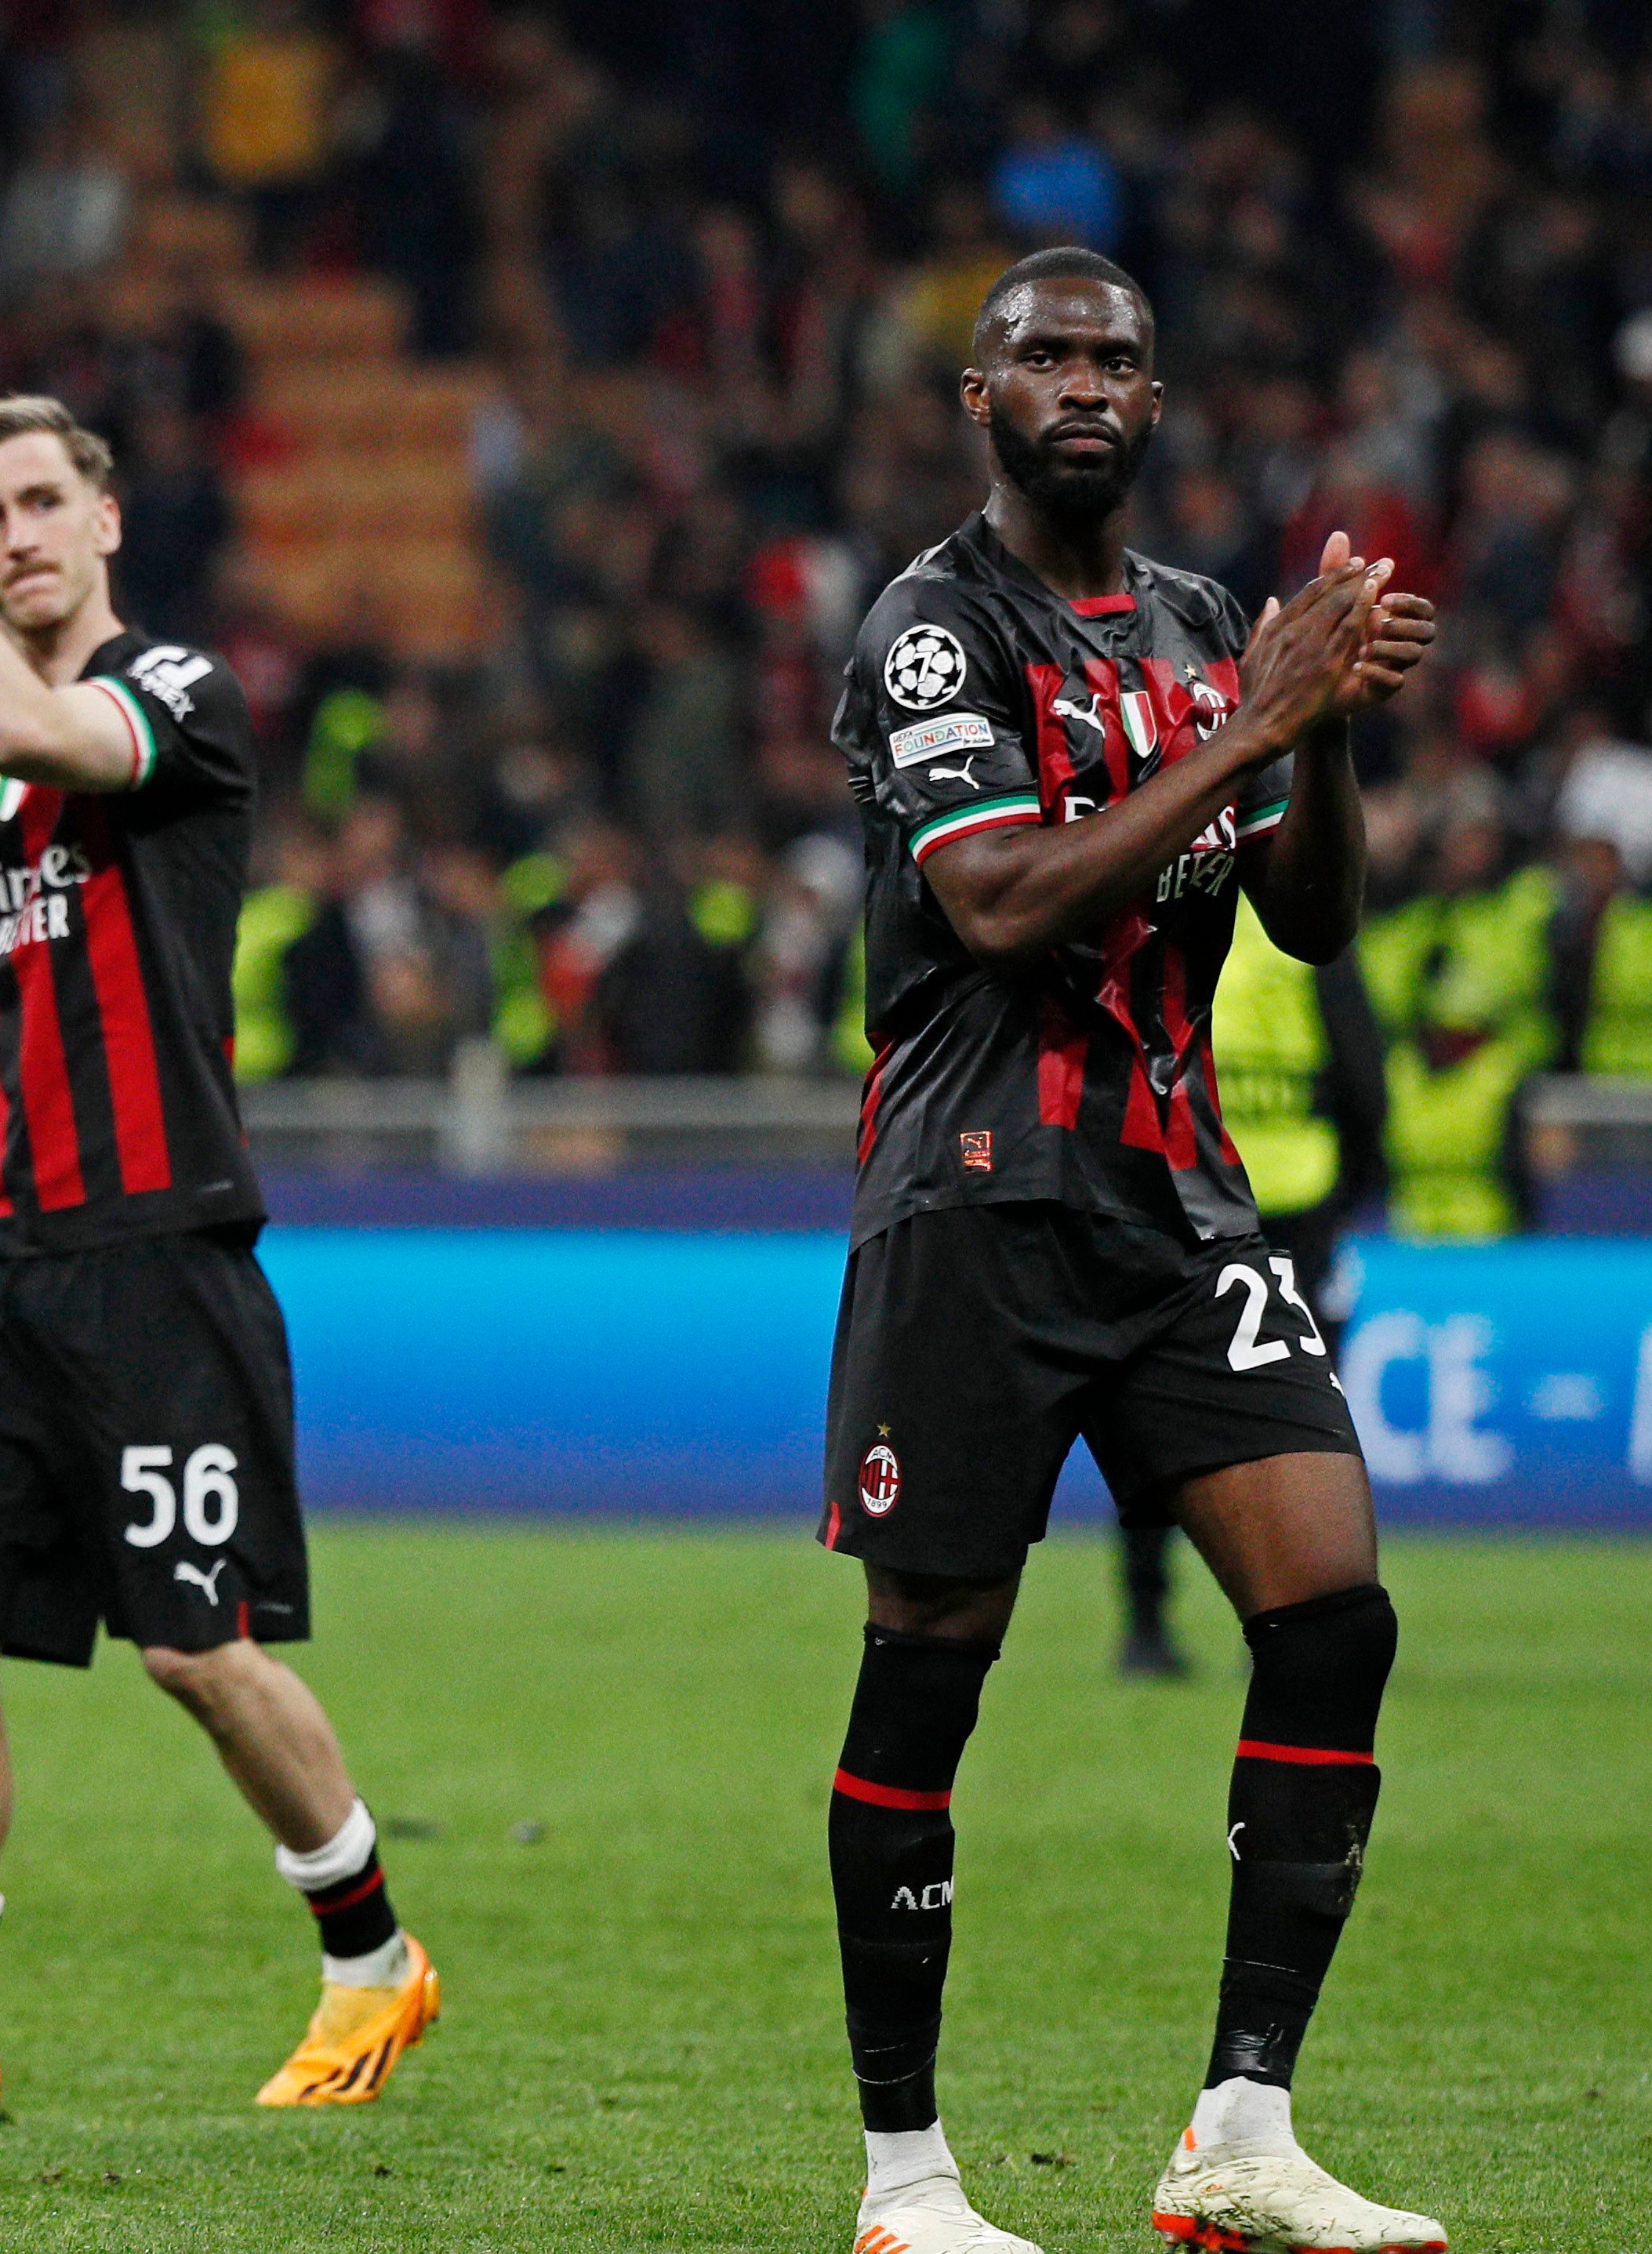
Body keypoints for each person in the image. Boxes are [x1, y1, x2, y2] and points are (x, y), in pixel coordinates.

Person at [0, 371, 438, 2117]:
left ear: (105, 521)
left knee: (195, 1648)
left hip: (152, 1249)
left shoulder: (176, 694)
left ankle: (373, 1956)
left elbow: (43, 742)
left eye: (41, 504)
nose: (13, 537)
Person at [819, 249, 1445, 2254]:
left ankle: (1241, 2127)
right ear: (977, 396)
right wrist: (1251, 728)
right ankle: (904, 2176)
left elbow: (1315, 924)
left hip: (1177, 1204)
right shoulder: (934, 630)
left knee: (1332, 1608)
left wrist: (1317, 726)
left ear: (1155, 402)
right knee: (933, 1668)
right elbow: (999, 901)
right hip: (973, 1198)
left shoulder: (1193, 628)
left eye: (1117, 360)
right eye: (1046, 357)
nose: (1085, 383)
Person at [1116, 899, 1388, 1679]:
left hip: (1177, 1195)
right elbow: (1361, 1069)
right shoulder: (1300, 920)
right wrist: (1352, 1191)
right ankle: (1295, 1617)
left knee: (1151, 1419)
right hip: (1291, 1200)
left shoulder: (1159, 907)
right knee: (1299, 1421)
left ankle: (1144, 1619)